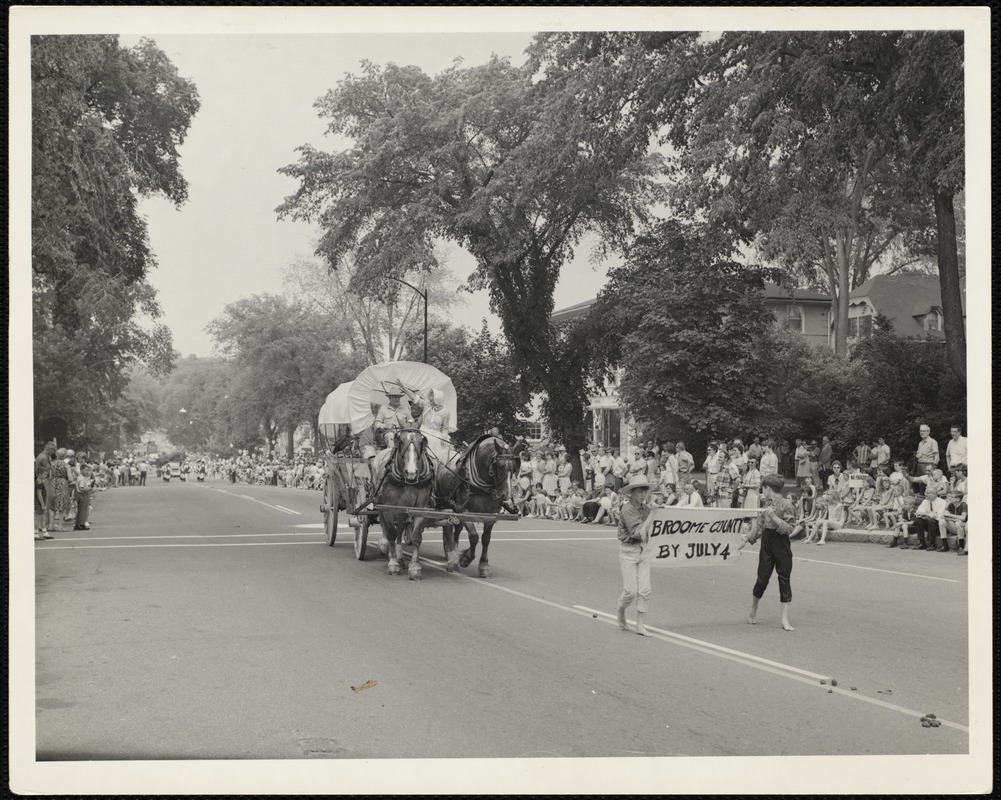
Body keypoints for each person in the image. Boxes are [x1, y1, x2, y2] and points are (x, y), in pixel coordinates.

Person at [739, 474, 797, 631]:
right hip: (767, 542)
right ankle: (754, 607)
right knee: (762, 578)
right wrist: (746, 539)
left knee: (784, 578)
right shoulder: (766, 504)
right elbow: (758, 526)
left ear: (768, 489)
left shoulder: (787, 505)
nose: (762, 492)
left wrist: (774, 518)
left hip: (781, 543)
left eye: (763, 489)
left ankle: (784, 618)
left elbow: (790, 528)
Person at [615, 474, 656, 636]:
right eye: (640, 491)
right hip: (628, 551)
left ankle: (640, 625)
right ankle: (621, 609)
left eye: (645, 491)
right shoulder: (627, 509)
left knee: (645, 589)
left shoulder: (645, 509)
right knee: (630, 591)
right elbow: (638, 532)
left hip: (643, 551)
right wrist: (653, 513)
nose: (643, 495)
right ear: (631, 493)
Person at [34, 440, 56, 539]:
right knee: (44, 505)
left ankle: (43, 528)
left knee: (43, 508)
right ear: (48, 448)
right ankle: (42, 527)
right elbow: (49, 471)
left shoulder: (41, 456)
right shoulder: (44, 458)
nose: (53, 452)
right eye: (53, 449)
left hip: (42, 481)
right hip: (44, 482)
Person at [48, 448, 72, 533]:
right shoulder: (66, 465)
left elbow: (49, 476)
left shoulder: (51, 464)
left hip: (53, 483)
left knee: (52, 506)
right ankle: (60, 526)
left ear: (57, 455)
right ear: (65, 456)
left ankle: (51, 525)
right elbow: (70, 478)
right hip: (63, 484)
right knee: (62, 506)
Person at [941, 490, 968, 556]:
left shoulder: (963, 504)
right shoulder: (950, 504)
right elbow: (942, 516)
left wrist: (950, 515)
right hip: (954, 527)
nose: (948, 498)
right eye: (948, 496)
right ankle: (944, 545)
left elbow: (963, 518)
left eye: (951, 497)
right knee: (941, 521)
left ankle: (961, 546)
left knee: (958, 523)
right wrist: (954, 518)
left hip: (963, 528)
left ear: (957, 499)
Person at [73, 463, 94, 530]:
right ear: (81, 470)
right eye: (86, 470)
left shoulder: (81, 478)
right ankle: (82, 524)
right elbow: (81, 488)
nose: (87, 472)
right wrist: (89, 489)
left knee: (79, 510)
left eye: (88, 470)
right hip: (82, 495)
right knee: (83, 510)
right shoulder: (81, 479)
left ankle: (77, 524)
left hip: (79, 495)